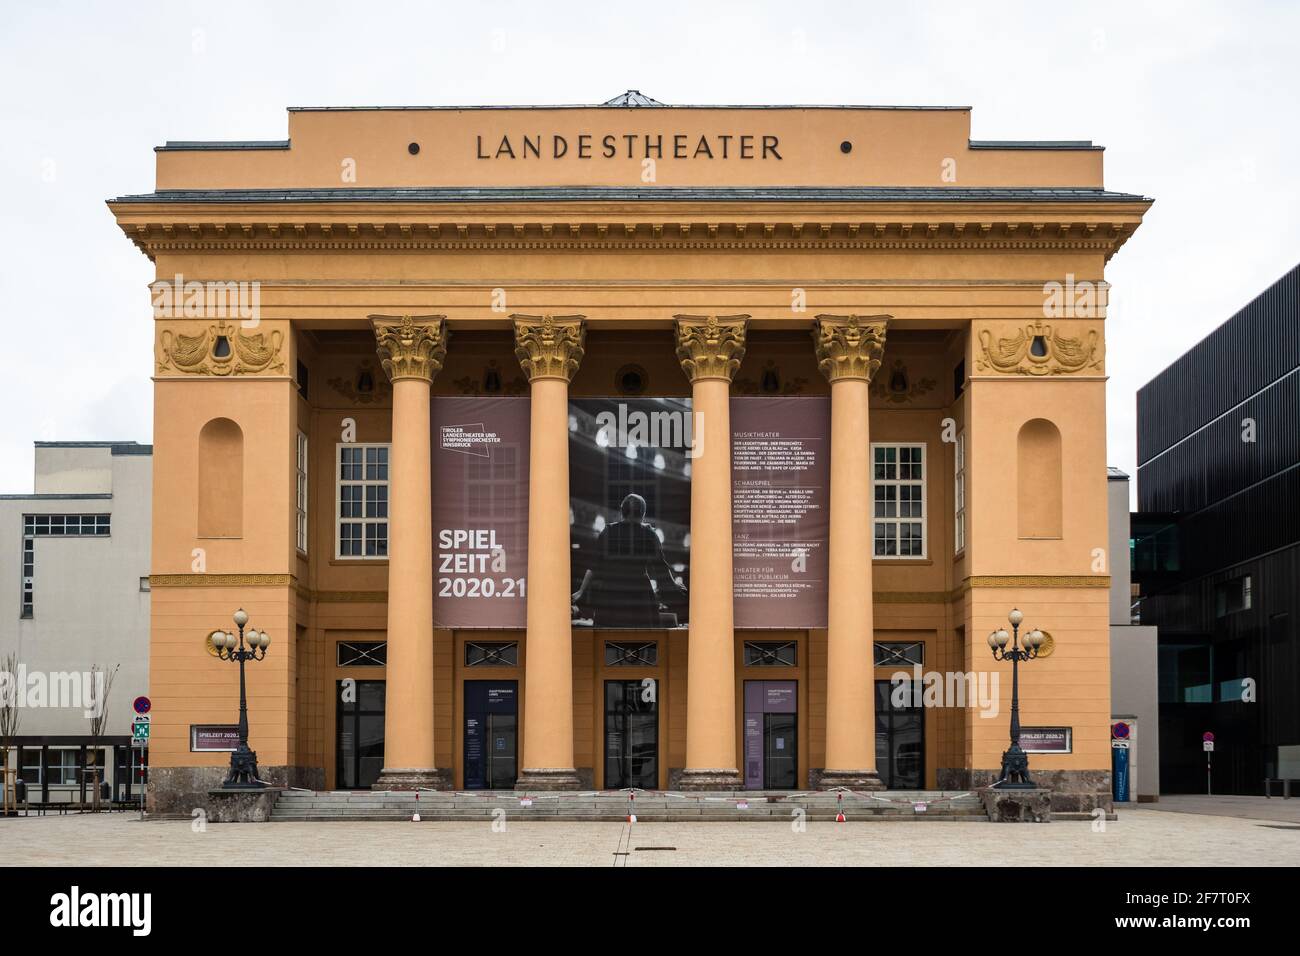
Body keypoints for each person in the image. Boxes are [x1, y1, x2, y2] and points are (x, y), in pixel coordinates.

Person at [572, 493, 687, 628]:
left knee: (608, 640)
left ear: (622, 511)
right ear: (643, 513)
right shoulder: (650, 534)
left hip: (611, 594)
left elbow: (594, 565)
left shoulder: (608, 531)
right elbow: (661, 566)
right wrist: (674, 584)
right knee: (643, 641)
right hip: (640, 595)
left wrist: (581, 591)